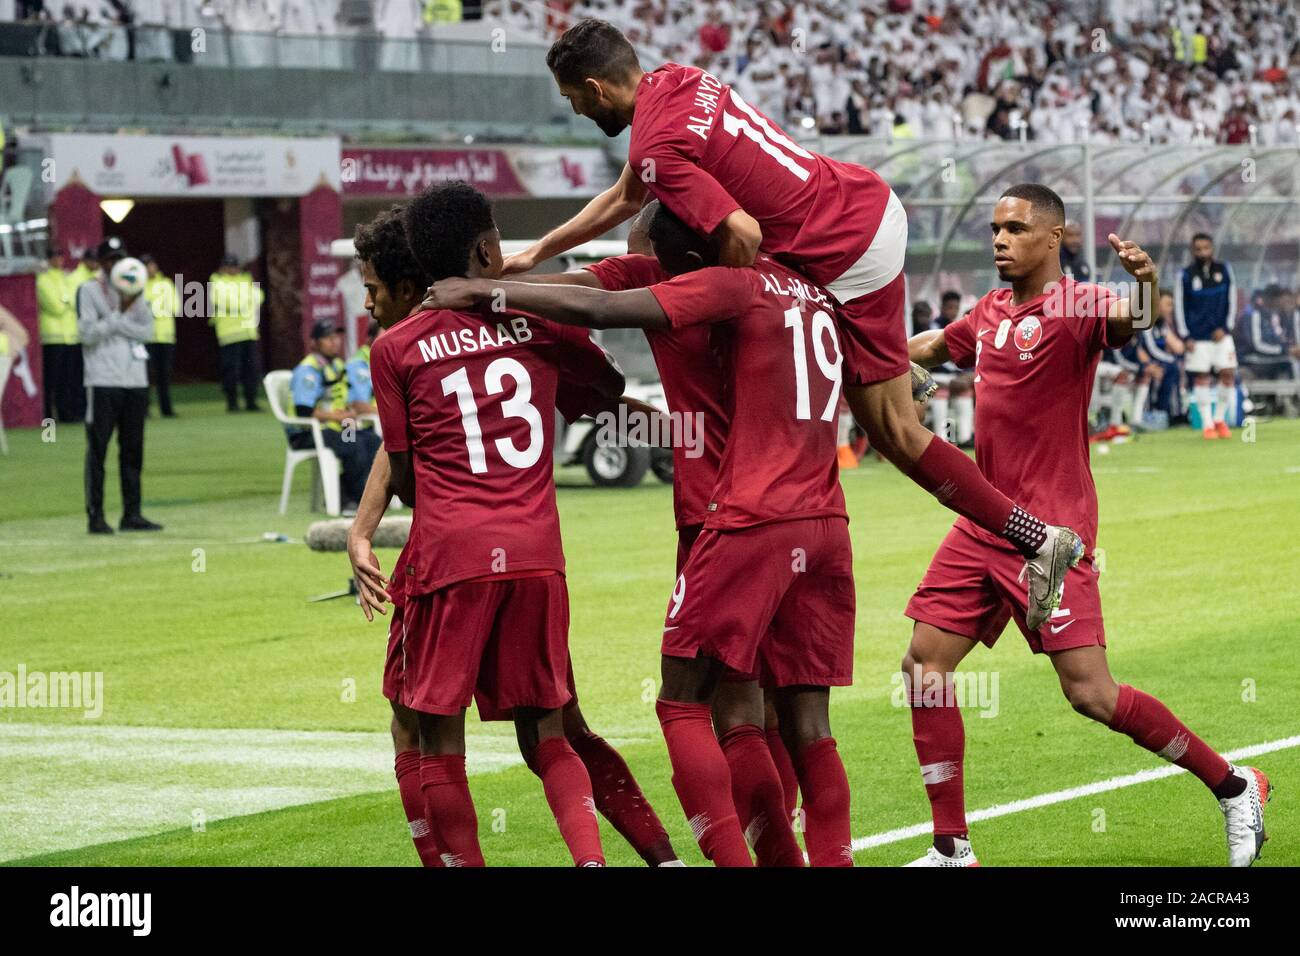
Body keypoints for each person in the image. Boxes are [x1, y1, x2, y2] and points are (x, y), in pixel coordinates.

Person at [519, 18, 1083, 631]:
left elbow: (744, 234)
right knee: (824, 371)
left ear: (597, 88)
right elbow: (628, 197)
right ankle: (899, 368)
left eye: (572, 98)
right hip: (860, 204)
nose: (574, 111)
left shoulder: (652, 146)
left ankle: (1037, 538)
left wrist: (739, 303)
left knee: (891, 429)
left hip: (844, 252)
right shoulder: (679, 82)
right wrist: (534, 254)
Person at [427, 201, 860, 869]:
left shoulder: (699, 287)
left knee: (714, 708)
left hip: (730, 516)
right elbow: (583, 285)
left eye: (646, 253)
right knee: (794, 716)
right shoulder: (795, 288)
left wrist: (483, 287)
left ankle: (747, 859)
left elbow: (591, 304)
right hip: (820, 513)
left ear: (678, 257)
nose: (636, 261)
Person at [904, 184, 1268, 867]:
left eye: (1014, 228)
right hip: (985, 522)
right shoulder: (986, 311)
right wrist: (883, 352)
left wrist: (1147, 283)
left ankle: (1235, 785)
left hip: (1052, 534)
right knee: (924, 665)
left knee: (1091, 695)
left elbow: (1133, 320)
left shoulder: (1078, 303)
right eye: (994, 228)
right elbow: (932, 348)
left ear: (1053, 238)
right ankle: (951, 847)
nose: (999, 240)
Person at [345, 204, 680, 867]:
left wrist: (379, 520)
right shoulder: (540, 320)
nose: (368, 301)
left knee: (429, 733)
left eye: (372, 290)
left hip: (447, 561)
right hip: (536, 558)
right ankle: (618, 860)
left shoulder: (396, 350)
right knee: (554, 732)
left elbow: (406, 471)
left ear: (410, 282)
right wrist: (694, 437)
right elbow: (607, 401)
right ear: (488, 251)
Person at [77, 237, 163, 535]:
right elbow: (87, 334)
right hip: (102, 380)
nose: (115, 265)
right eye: (110, 259)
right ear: (100, 263)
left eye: (119, 258)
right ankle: (96, 515)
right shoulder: (88, 290)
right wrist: (120, 315)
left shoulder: (135, 288)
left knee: (133, 449)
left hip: (135, 380)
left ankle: (132, 513)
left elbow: (148, 332)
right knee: (98, 449)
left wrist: (114, 322)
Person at [287, 319, 382, 516]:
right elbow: (303, 410)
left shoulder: (337, 366)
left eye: (335, 337)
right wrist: (337, 417)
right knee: (353, 446)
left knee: (373, 442)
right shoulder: (308, 370)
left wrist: (348, 413)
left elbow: (343, 397)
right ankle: (350, 501)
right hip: (307, 432)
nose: (334, 342)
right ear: (314, 343)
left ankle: (346, 494)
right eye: (328, 338)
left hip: (335, 427)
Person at [1175, 232, 1238, 438]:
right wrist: (1186, 336)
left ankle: (1220, 418)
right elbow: (1179, 307)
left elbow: (1232, 298)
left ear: (1212, 248)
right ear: (1193, 251)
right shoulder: (1185, 275)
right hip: (1197, 337)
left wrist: (1226, 327)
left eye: (1206, 248)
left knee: (1227, 372)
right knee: (1201, 378)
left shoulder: (1224, 270)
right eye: (1198, 249)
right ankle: (1207, 424)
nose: (1203, 252)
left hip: (1221, 334)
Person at [35, 248, 85, 423]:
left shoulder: (67, 278)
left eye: (60, 256)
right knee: (51, 379)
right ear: (49, 259)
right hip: (52, 337)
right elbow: (55, 307)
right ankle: (48, 414)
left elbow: (74, 300)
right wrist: (66, 302)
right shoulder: (43, 279)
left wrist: (65, 301)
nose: (59, 260)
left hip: (70, 336)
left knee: (68, 378)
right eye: (55, 256)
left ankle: (66, 413)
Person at [209, 254, 263, 413]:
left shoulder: (246, 279)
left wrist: (243, 301)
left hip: (248, 332)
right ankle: (232, 403)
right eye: (229, 266)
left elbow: (259, 297)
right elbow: (228, 303)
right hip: (229, 334)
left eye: (234, 266)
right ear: (222, 268)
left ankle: (251, 401)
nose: (232, 269)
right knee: (231, 370)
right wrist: (245, 302)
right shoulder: (217, 282)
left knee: (251, 369)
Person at [1235, 284, 1300, 381]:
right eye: (1281, 300)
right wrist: (1286, 351)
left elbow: (1279, 339)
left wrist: (1288, 348)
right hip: (1251, 360)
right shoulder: (1254, 314)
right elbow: (1256, 344)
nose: (1283, 304)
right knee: (1289, 362)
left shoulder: (1274, 316)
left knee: (1290, 361)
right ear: (1272, 299)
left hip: (1270, 358)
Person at [142, 254, 179, 417]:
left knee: (164, 375)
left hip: (165, 336)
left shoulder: (166, 284)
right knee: (145, 376)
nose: (150, 268)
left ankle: (166, 409)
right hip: (146, 337)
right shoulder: (137, 285)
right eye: (146, 265)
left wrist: (152, 308)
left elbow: (175, 307)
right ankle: (144, 409)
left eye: (151, 264)